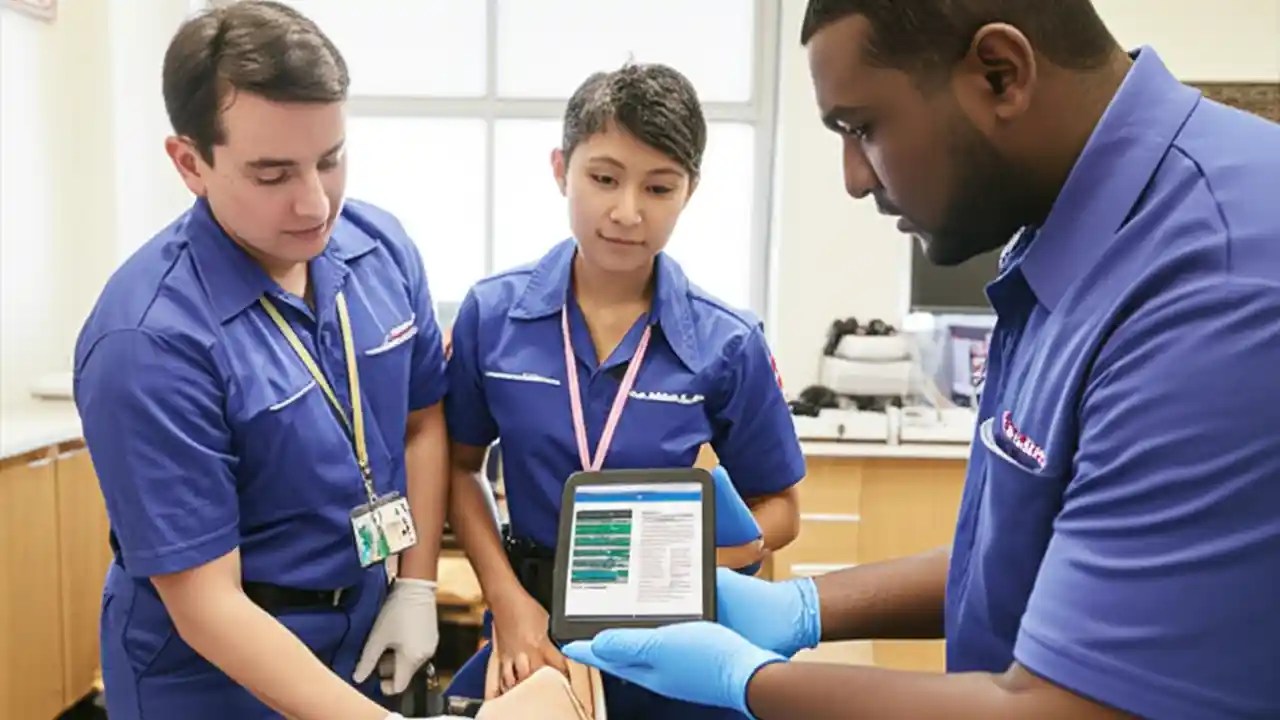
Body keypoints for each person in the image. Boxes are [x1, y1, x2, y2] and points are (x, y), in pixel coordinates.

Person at [561, 1, 1280, 718]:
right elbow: (1039, 553)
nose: (852, 177)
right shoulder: (1072, 241)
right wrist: (805, 606)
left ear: (1000, 75)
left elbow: (1062, 710)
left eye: (862, 128)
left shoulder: (1217, 279)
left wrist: (748, 683)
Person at [74, 3, 450, 718]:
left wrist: (418, 585)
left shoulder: (381, 251)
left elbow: (422, 420)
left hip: (367, 628)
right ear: (190, 163)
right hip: (213, 673)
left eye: (330, 159)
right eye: (272, 173)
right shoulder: (148, 342)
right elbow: (208, 604)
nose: (315, 203)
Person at [442, 62, 807, 719]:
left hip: (673, 638)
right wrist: (505, 602)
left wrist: (692, 572)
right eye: (604, 178)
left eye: (659, 187)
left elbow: (779, 508)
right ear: (562, 169)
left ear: (688, 191)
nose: (627, 212)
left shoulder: (727, 342)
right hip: (534, 626)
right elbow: (460, 468)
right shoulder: (492, 316)